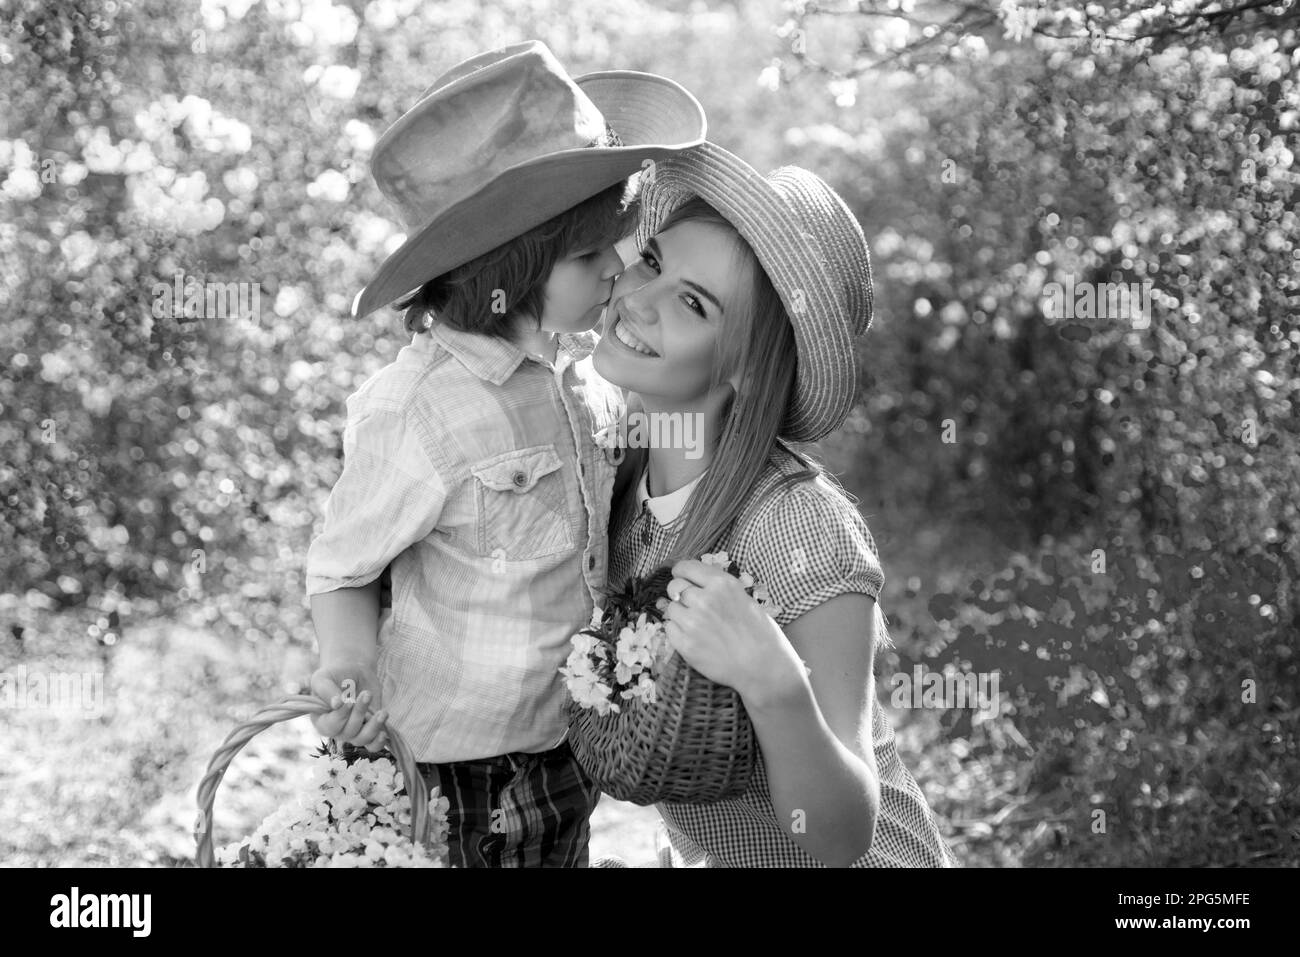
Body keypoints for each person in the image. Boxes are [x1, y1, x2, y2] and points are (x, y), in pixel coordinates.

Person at [303, 41, 705, 867]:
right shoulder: (418, 410)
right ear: (512, 265)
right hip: (447, 767)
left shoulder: (580, 378)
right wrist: (349, 662)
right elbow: (344, 566)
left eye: (618, 244)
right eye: (592, 255)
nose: (618, 269)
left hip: (560, 746)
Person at [591, 142, 956, 867]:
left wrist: (771, 677)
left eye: (692, 303)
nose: (638, 299)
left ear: (748, 372)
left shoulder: (798, 526)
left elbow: (839, 837)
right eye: (655, 263)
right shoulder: (617, 491)